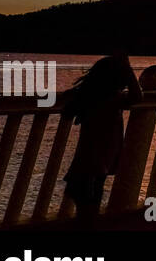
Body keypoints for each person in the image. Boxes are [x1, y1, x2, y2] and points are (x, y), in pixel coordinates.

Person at [61, 54, 143, 226]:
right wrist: (128, 70)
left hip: (89, 164)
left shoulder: (92, 97)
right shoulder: (112, 100)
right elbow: (137, 96)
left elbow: (68, 112)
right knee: (89, 211)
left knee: (86, 210)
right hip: (95, 165)